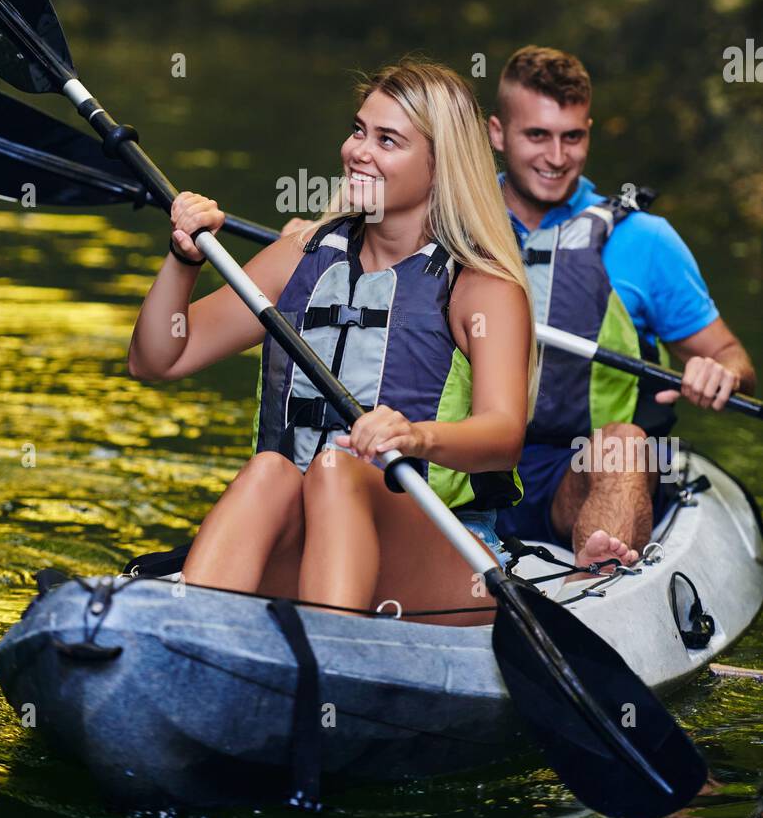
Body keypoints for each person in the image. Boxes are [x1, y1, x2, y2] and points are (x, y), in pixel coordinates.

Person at [128, 58, 535, 625]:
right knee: (271, 469)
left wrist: (416, 436)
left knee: (338, 468)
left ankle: (328, 665)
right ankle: (191, 642)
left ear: (442, 165)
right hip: (308, 538)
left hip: (446, 555)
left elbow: (503, 437)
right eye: (358, 130)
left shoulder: (481, 285)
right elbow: (157, 358)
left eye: (387, 140)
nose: (358, 152)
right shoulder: (303, 257)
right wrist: (182, 261)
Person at [489, 45, 756, 573]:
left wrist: (718, 372)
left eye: (573, 136)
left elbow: (734, 359)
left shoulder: (647, 242)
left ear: (589, 130)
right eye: (536, 135)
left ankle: (602, 580)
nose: (556, 157)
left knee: (627, 444)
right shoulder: (449, 222)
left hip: (577, 468)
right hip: (464, 460)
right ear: (497, 134)